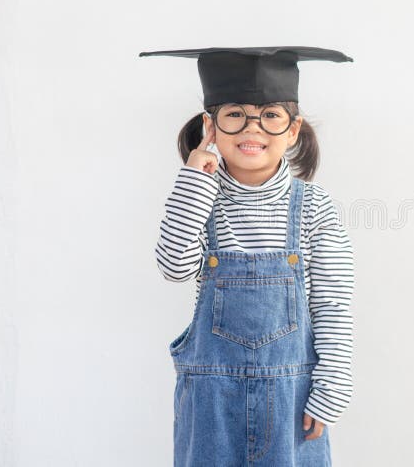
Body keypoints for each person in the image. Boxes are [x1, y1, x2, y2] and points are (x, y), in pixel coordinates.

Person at [143, 46, 355, 466]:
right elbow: (174, 265)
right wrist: (194, 180)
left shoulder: (315, 207)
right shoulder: (199, 200)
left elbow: (333, 303)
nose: (251, 128)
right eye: (235, 114)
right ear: (211, 126)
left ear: (293, 131)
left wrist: (332, 387)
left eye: (270, 116)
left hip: (293, 401)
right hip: (210, 405)